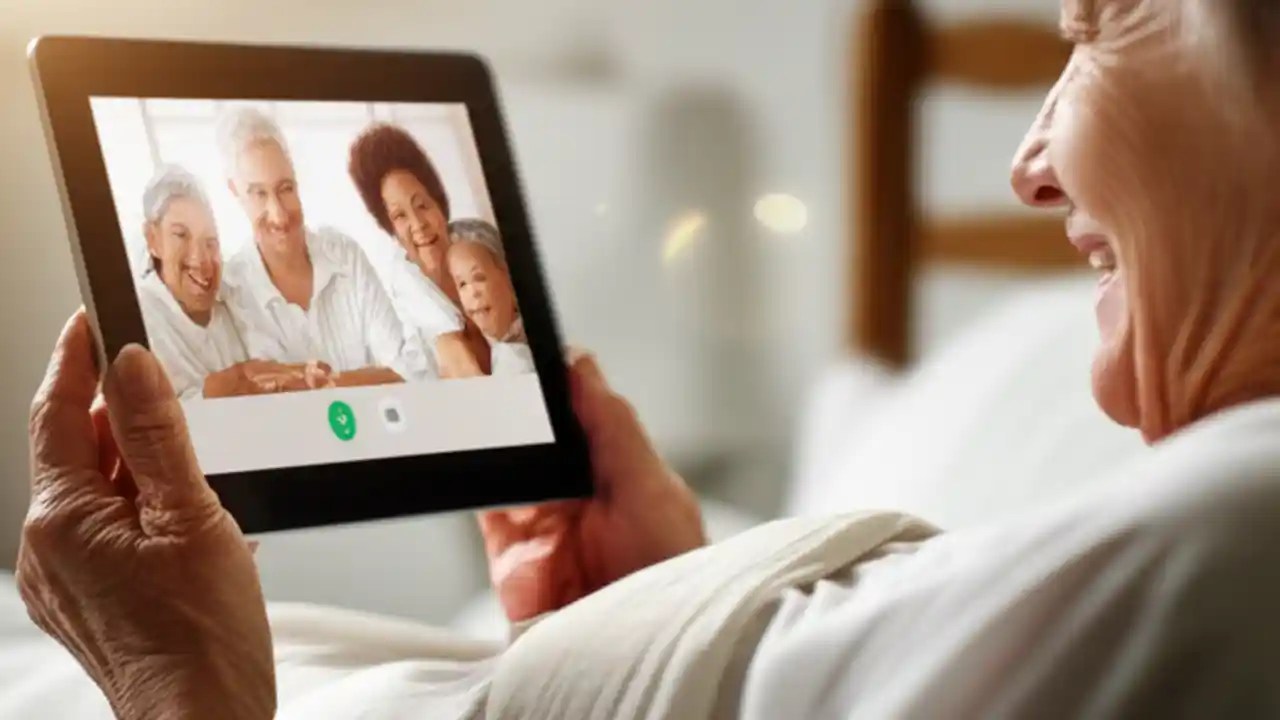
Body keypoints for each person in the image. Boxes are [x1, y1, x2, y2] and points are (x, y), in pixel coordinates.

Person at [16, 1, 1280, 717]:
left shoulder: (1241, 548)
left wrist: (176, 686)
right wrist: (674, 601)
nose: (1027, 163)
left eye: (1102, 22)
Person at [217, 107, 428, 387]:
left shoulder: (344, 256)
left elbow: (404, 374)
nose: (279, 214)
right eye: (259, 194)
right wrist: (361, 381)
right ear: (235, 192)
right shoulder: (232, 292)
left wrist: (323, 384)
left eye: (285, 189)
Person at [135, 164, 334, 399]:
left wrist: (297, 375)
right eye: (181, 235)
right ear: (152, 238)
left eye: (210, 242)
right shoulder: (142, 316)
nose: (201, 260)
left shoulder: (230, 299)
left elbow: (270, 373)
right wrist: (237, 380)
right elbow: (170, 415)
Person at [346, 122, 485, 378]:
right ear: (390, 228)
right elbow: (456, 358)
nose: (418, 225)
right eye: (400, 216)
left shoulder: (478, 237)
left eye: (422, 205)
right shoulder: (406, 286)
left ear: (439, 201)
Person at [445, 219, 535, 376]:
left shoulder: (518, 360)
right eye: (462, 284)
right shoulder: (501, 348)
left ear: (507, 275)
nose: (473, 292)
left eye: (479, 277)